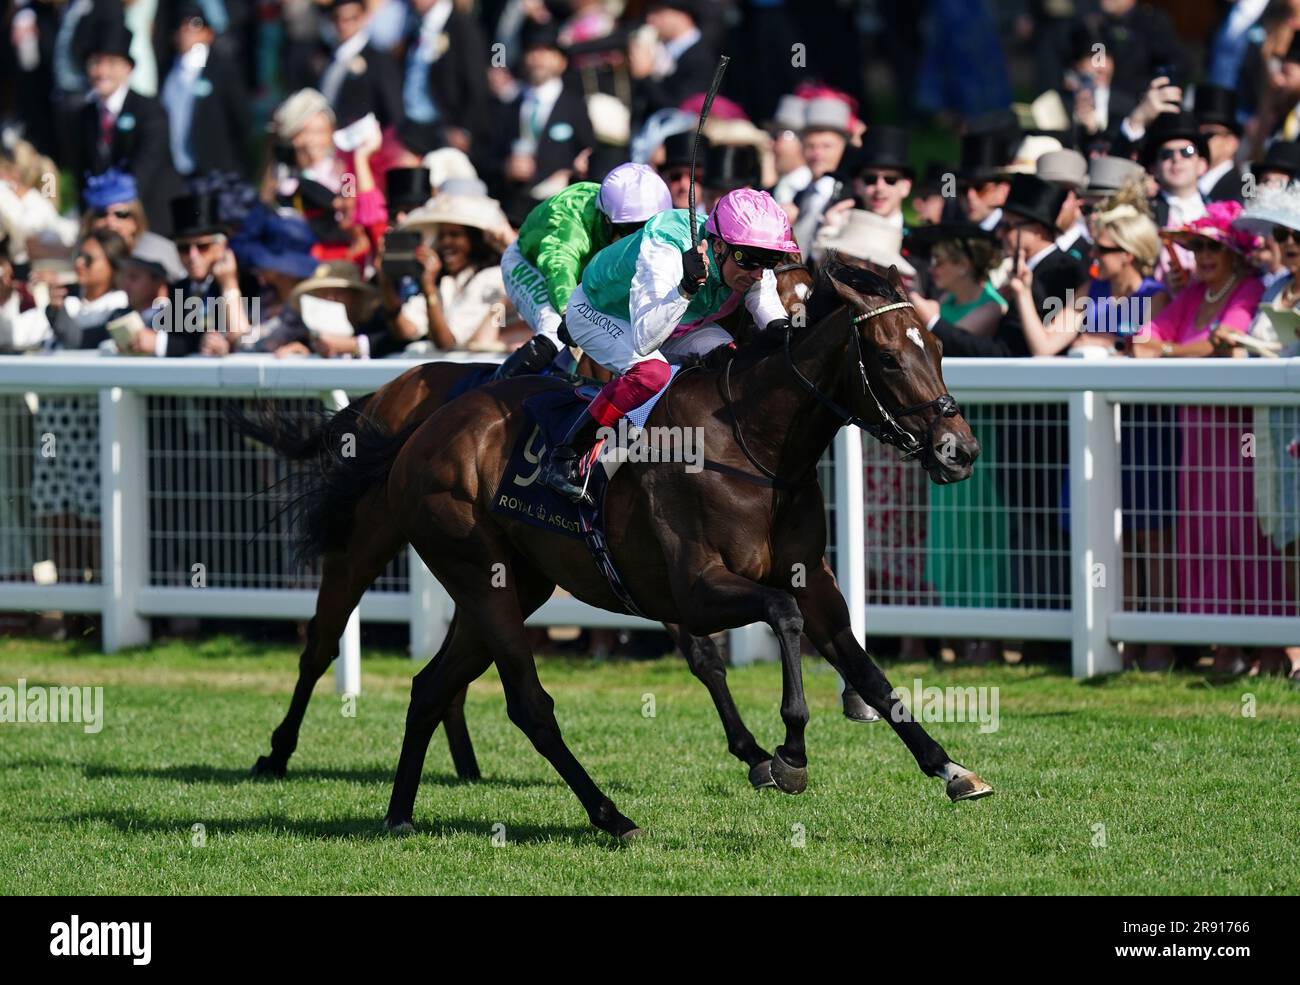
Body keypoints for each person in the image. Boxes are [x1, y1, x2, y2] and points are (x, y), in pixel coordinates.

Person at [540, 187, 799, 502]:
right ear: (718, 247)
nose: (758, 273)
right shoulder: (667, 247)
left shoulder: (746, 256)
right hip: (600, 312)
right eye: (749, 261)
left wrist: (784, 332)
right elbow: (647, 339)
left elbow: (764, 301)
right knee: (652, 373)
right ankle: (566, 454)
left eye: (769, 261)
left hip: (677, 321)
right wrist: (687, 287)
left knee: (733, 363)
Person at [1134, 201, 1288, 673]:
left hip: (1243, 435)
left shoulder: (1249, 289)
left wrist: (1169, 350)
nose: (1202, 255)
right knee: (1203, 534)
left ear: (1234, 254)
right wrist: (1181, 349)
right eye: (1197, 246)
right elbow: (1142, 342)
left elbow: (1227, 342)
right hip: (1196, 437)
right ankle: (1223, 645)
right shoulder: (1191, 295)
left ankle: (1268, 646)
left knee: (1248, 535)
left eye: (1211, 247)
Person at [495, 162, 673, 379]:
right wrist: (567, 313)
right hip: (530, 264)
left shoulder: (621, 220)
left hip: (582, 275)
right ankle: (493, 390)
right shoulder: (569, 217)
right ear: (607, 220)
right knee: (554, 328)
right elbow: (559, 266)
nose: (640, 240)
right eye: (633, 231)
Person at [1232, 181, 1300, 680]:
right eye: (1283, 235)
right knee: (1288, 534)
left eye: (1296, 234)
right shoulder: (1276, 286)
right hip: (1274, 426)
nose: (1290, 243)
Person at [71, 22, 183, 236]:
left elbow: (146, 166)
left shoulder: (150, 110)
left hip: (150, 219)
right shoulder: (83, 115)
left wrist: (116, 201)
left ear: (128, 68)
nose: (102, 71)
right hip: (106, 223)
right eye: (95, 63)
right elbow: (81, 170)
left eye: (111, 63)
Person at [488, 19, 596, 227]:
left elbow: (589, 152)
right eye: (533, 50)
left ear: (562, 60)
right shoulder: (510, 105)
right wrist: (506, 168)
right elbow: (487, 155)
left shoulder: (575, 105)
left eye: (547, 50)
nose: (538, 58)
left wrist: (571, 173)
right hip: (515, 211)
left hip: (559, 211)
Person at [388, 191, 515, 352]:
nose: (445, 242)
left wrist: (428, 288)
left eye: (455, 235)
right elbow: (405, 330)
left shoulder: (492, 278)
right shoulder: (446, 282)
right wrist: (385, 282)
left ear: (473, 240)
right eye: (442, 236)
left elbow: (446, 343)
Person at [160, 3, 251, 178]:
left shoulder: (222, 70)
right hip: (176, 171)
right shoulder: (168, 69)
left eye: (195, 24)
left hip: (216, 170)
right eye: (181, 24)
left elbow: (241, 120)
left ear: (208, 33)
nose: (186, 30)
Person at [318, 0, 404, 130]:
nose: (343, 25)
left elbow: (393, 111)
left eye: (351, 18)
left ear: (363, 17)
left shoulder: (378, 60)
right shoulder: (330, 56)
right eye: (338, 18)